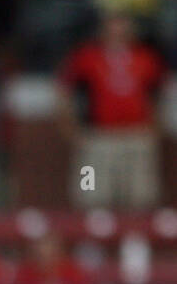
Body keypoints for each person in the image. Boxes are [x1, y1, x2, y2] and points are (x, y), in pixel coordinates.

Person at [61, 12, 166, 209]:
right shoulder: (87, 57)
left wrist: (156, 129)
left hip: (137, 135)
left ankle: (135, 239)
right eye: (113, 27)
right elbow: (65, 91)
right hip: (97, 137)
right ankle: (90, 238)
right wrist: (71, 128)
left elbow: (159, 95)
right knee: (90, 192)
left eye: (123, 27)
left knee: (141, 196)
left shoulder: (146, 58)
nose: (118, 32)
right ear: (103, 30)